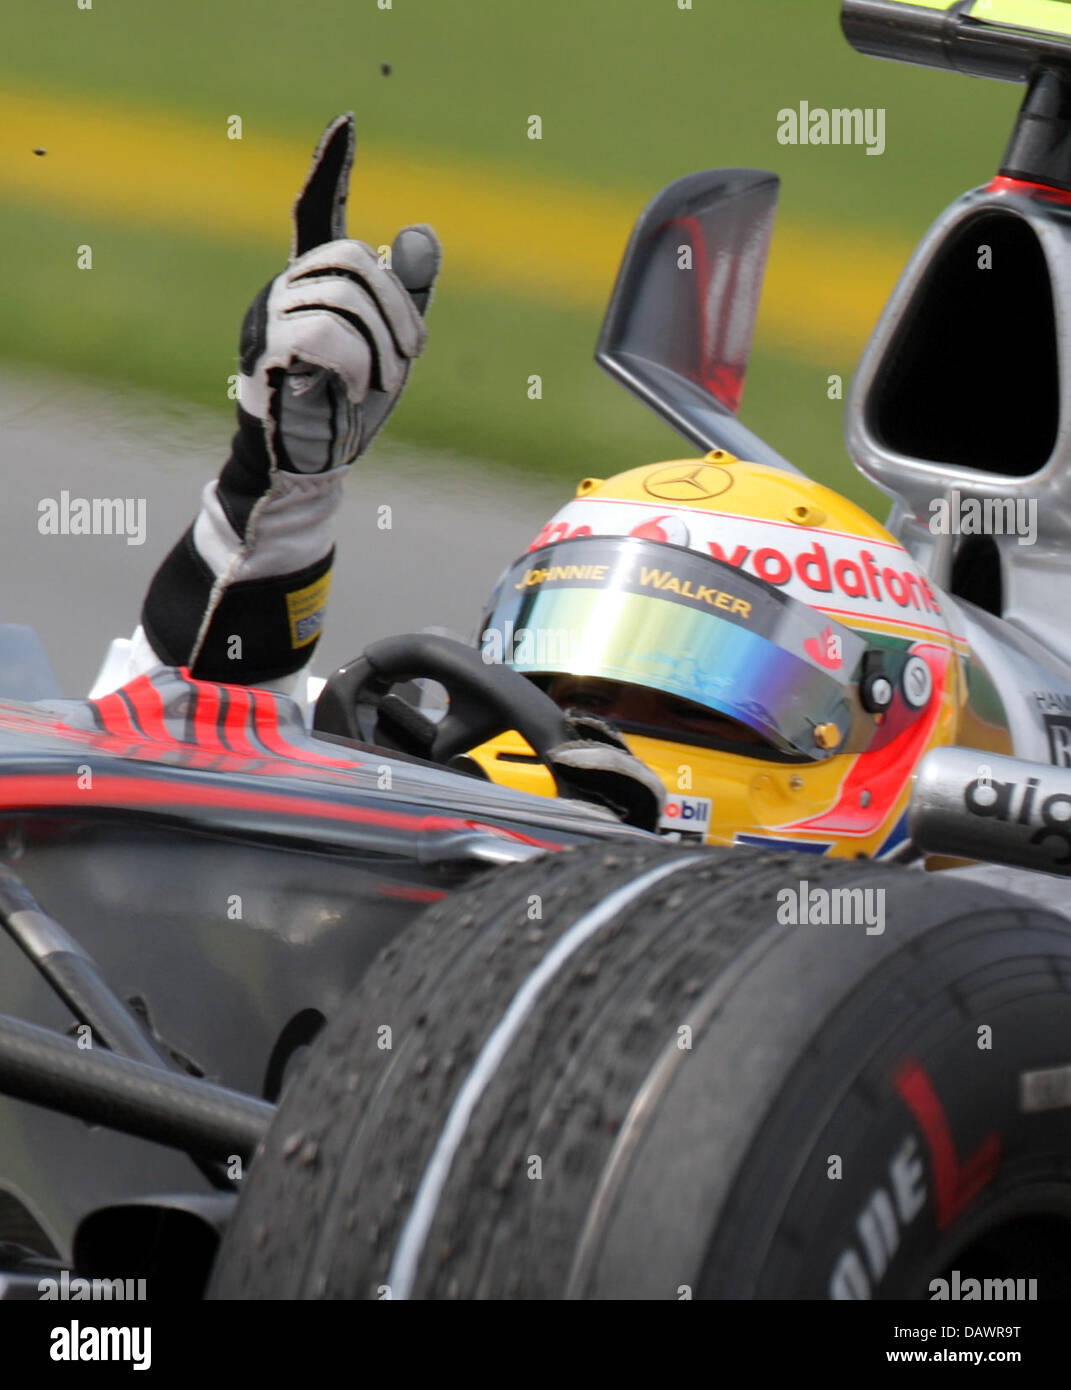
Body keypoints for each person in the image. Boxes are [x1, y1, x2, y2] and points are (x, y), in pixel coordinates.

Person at [98, 113, 965, 857]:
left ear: (880, 728)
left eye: (690, 698)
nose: (589, 733)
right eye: (570, 689)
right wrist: (279, 489)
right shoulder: (418, 818)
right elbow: (167, 750)